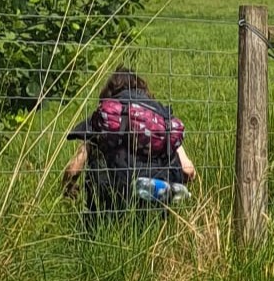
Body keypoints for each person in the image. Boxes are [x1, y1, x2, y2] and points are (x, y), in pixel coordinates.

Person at [62, 68, 195, 225]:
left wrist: (68, 191)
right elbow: (188, 170)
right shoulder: (161, 119)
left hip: (109, 207)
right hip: (154, 212)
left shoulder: (105, 116)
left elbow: (73, 169)